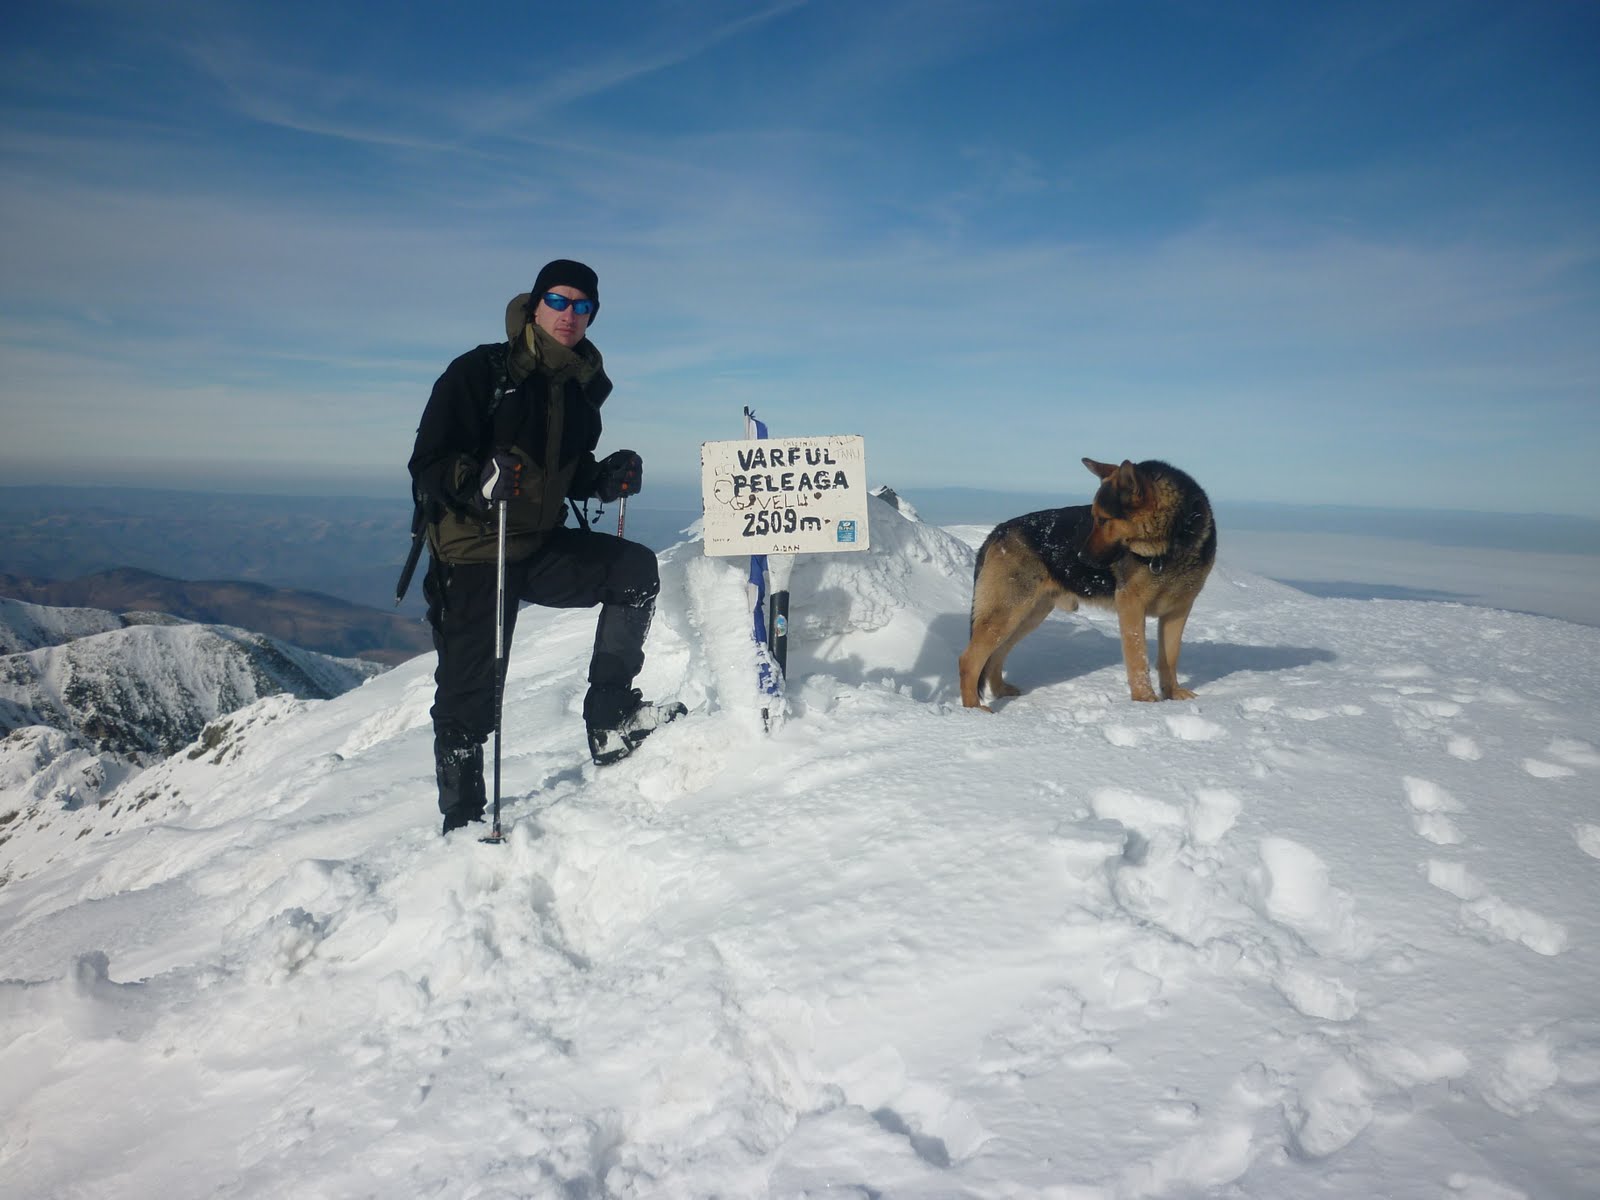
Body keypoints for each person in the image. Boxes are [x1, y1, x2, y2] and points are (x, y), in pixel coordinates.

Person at [409, 259, 684, 834]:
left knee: (632, 572)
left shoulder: (581, 387)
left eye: (583, 306)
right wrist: (478, 482)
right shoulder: (481, 372)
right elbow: (429, 462)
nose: (570, 315)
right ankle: (462, 822)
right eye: (559, 301)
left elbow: (568, 471)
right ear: (534, 305)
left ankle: (610, 716)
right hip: (477, 549)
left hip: (535, 542)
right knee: (470, 693)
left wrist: (604, 477)